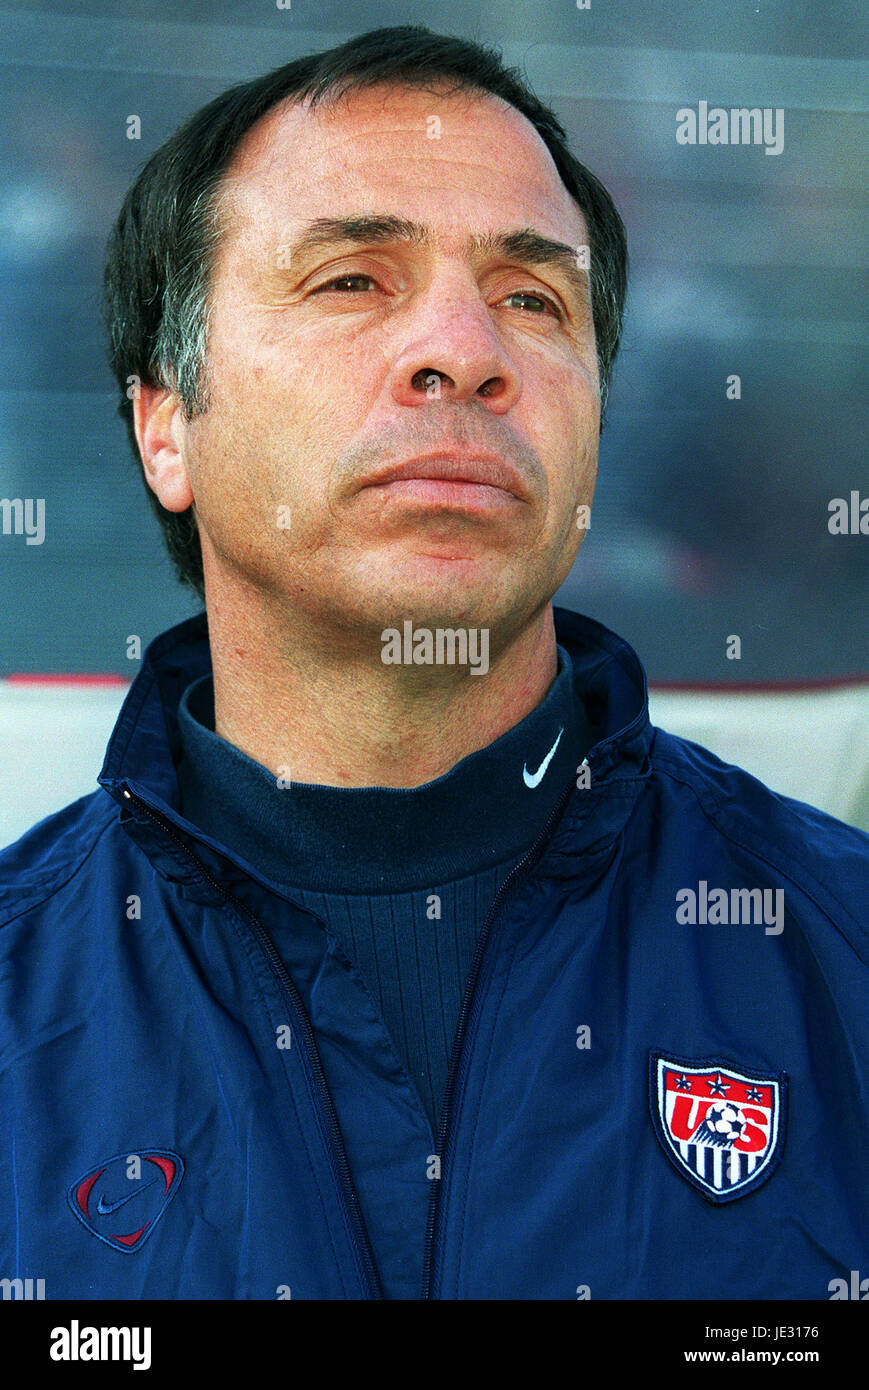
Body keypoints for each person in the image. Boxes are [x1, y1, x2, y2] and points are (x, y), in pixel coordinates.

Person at [0, 25, 866, 1301]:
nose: (464, 351)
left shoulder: (839, 960)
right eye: (351, 279)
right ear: (164, 425)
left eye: (533, 299)